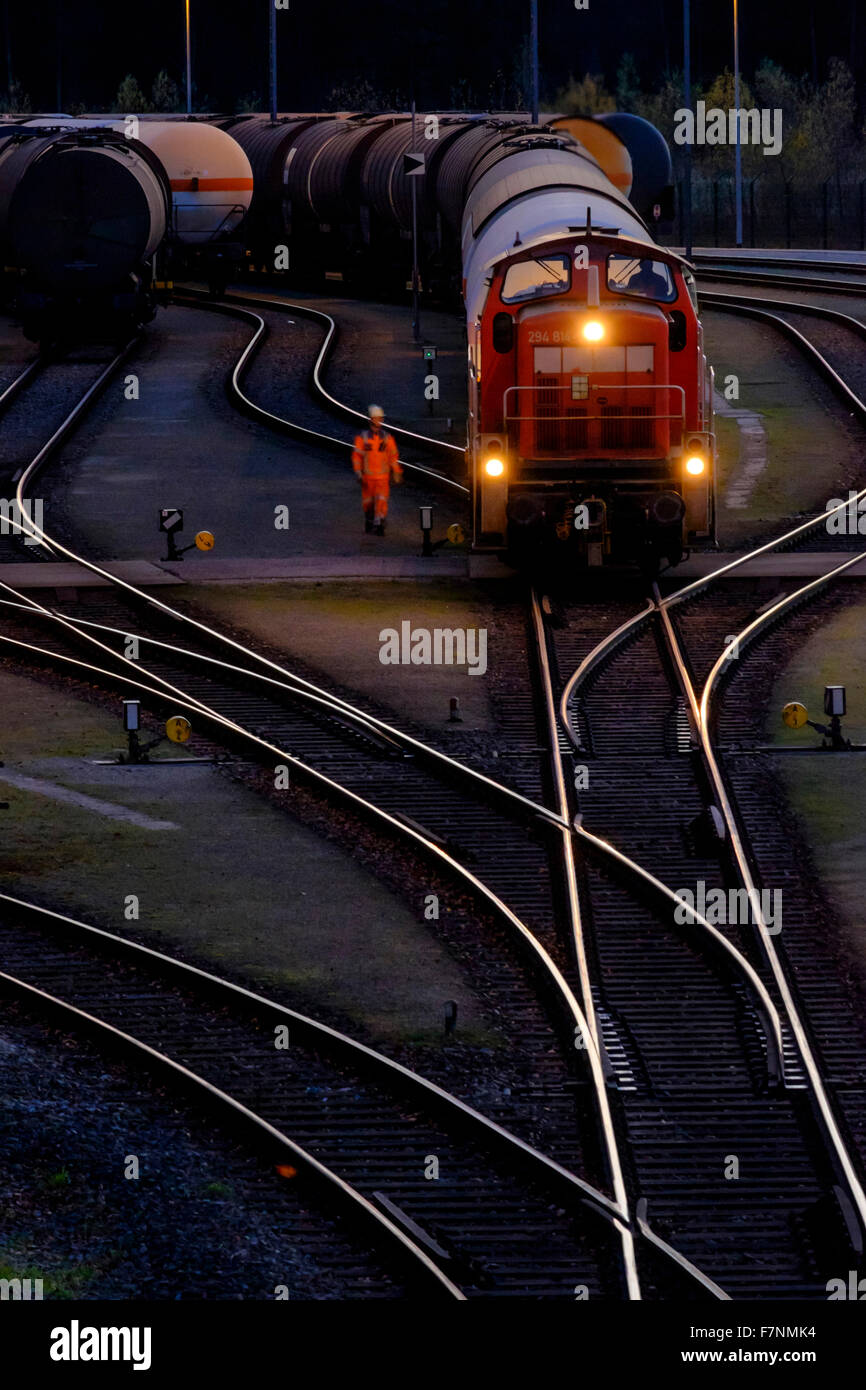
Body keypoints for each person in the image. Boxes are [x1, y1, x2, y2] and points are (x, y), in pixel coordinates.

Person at [352, 406, 403, 535]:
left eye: (381, 418)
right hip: (368, 477)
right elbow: (357, 456)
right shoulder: (363, 438)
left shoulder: (386, 438)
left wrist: (396, 471)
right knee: (368, 502)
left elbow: (393, 456)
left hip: (382, 477)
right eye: (377, 418)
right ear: (371, 419)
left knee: (381, 500)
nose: (379, 421)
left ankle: (380, 522)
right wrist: (358, 472)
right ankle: (369, 520)